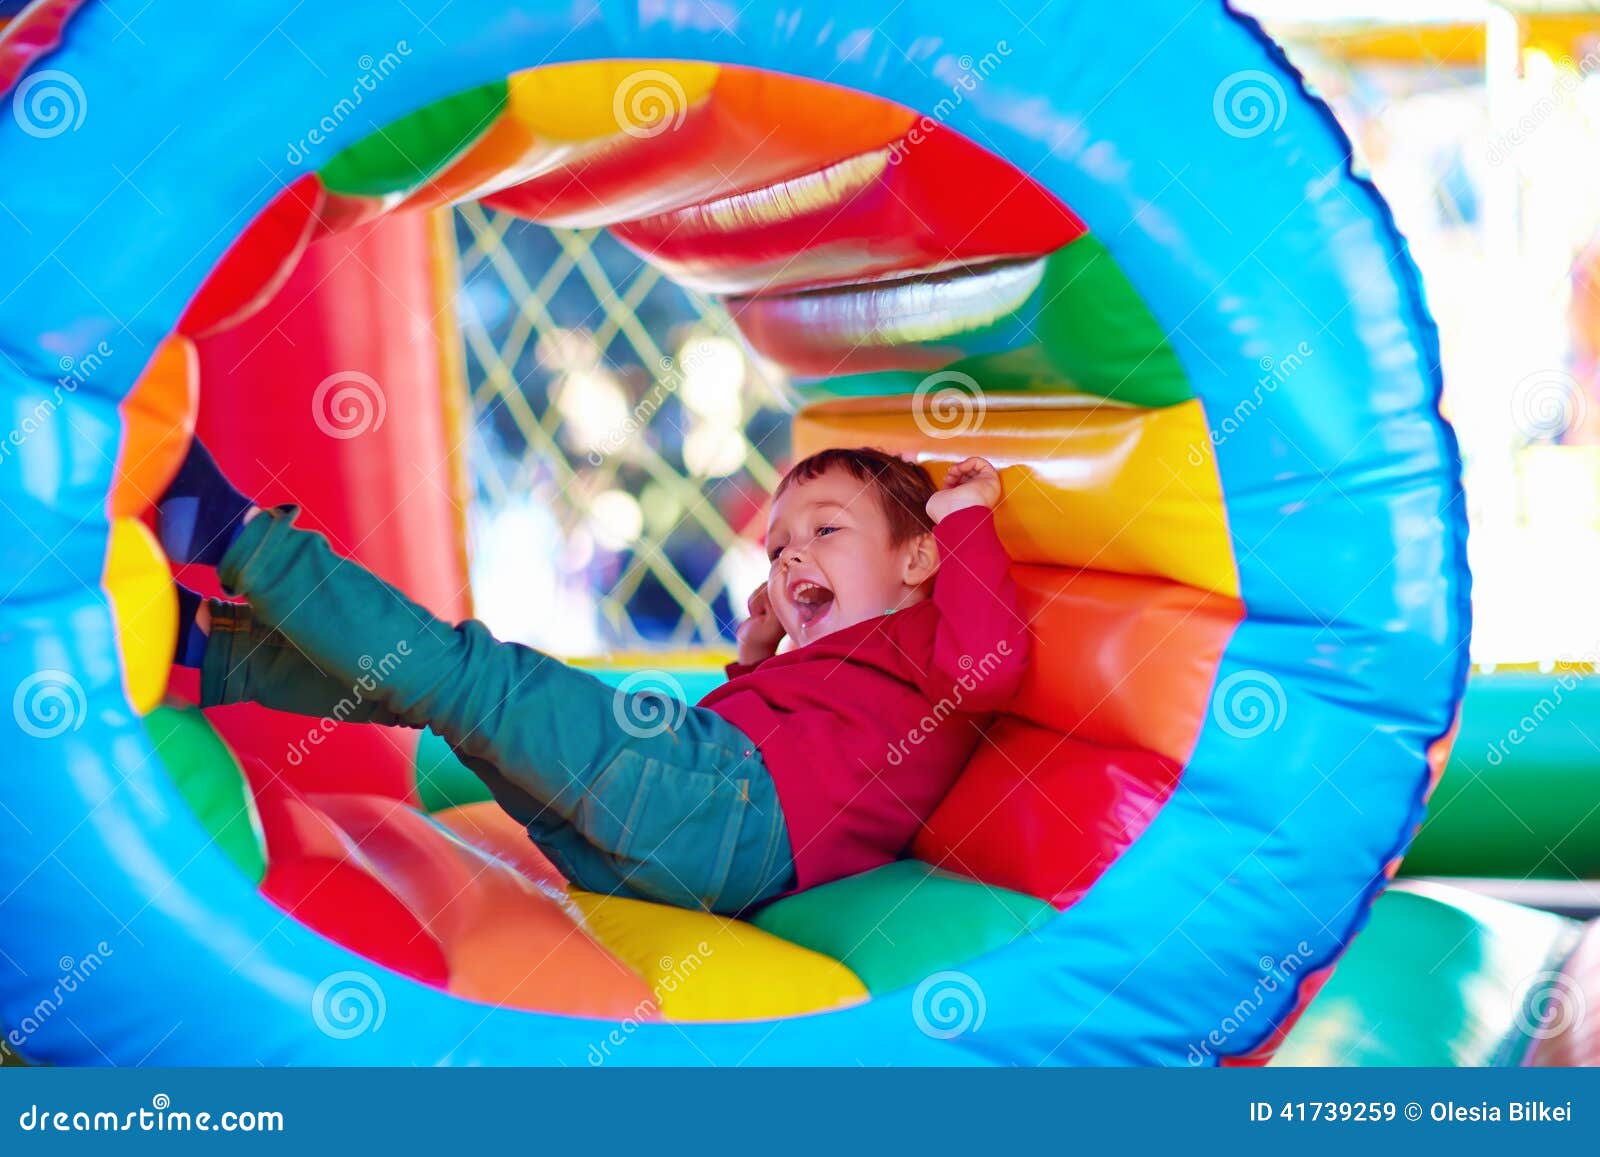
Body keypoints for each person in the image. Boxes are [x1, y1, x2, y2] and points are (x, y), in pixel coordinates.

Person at [159, 442, 1028, 913]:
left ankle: (231, 536)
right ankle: (213, 647)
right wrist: (762, 654)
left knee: (473, 677)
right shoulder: (856, 675)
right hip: (683, 860)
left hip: (722, 813)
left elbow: (990, 668)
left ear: (920, 557)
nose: (791, 550)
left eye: (826, 531)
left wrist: (963, 521)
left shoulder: (929, 633)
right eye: (777, 545)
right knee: (444, 702)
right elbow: (796, 742)